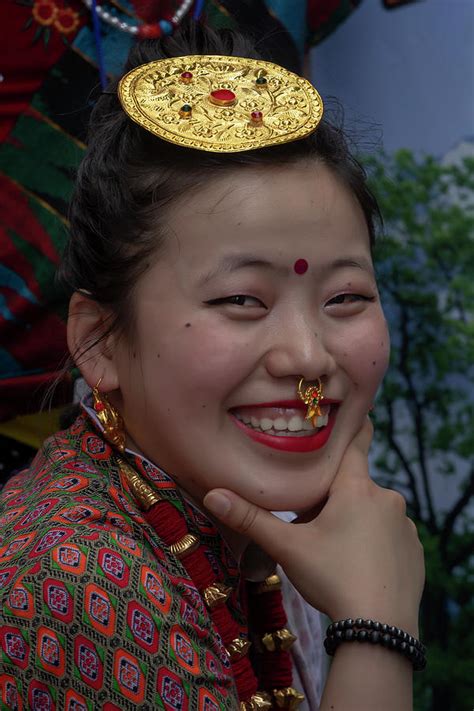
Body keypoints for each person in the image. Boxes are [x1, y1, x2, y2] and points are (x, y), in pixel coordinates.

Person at [0, 22, 425, 711]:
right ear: (100, 340)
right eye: (240, 299)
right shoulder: (78, 577)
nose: (309, 357)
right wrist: (378, 627)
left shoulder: (237, 533)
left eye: (346, 297)